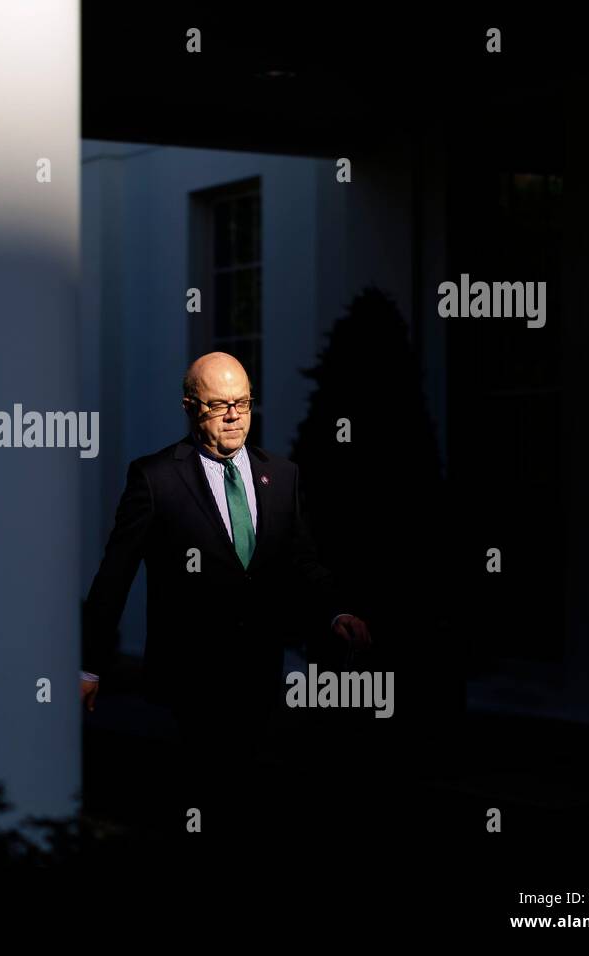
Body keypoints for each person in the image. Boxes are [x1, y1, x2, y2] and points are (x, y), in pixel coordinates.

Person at [79, 351, 371, 857]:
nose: (235, 415)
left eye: (243, 403)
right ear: (191, 408)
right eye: (220, 406)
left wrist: (336, 611)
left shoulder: (282, 477)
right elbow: (114, 575)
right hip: (187, 679)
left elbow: (303, 562)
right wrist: (90, 665)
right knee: (200, 801)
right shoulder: (154, 478)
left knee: (248, 799)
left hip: (257, 670)